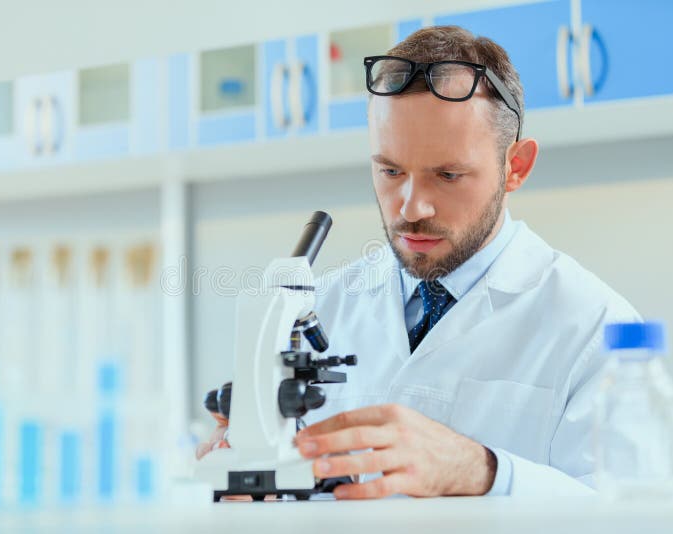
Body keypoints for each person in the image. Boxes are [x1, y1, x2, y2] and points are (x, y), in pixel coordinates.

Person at [196, 25, 639, 498]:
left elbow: (636, 517)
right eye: (390, 171)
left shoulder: (597, 329)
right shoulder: (319, 307)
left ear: (517, 167)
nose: (411, 208)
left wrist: (484, 473)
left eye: (448, 175)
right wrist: (249, 487)